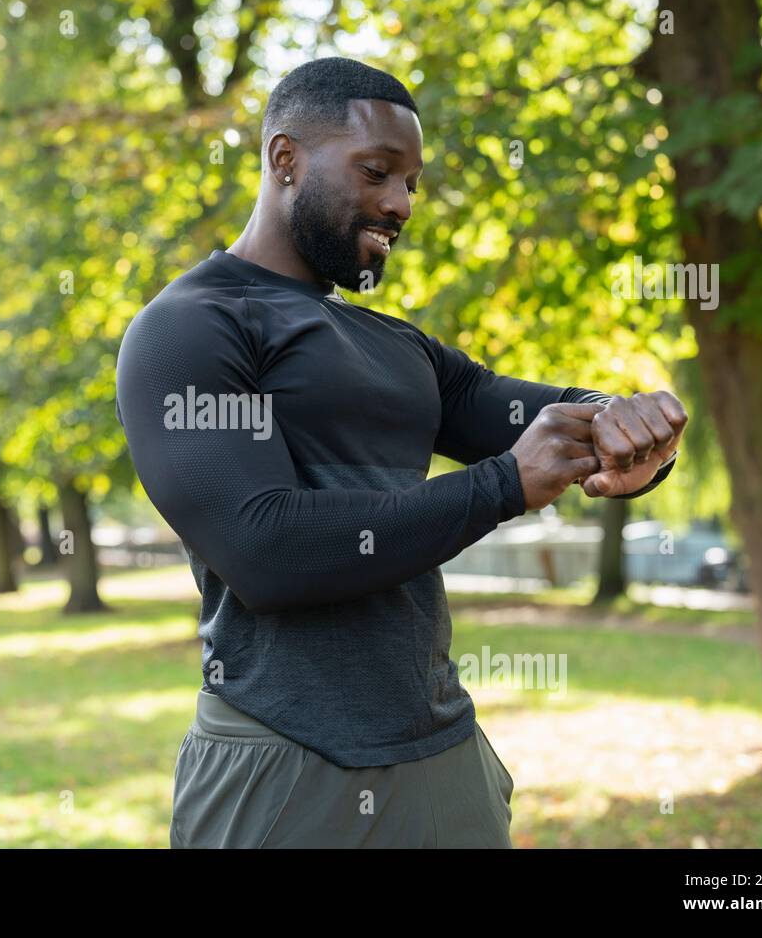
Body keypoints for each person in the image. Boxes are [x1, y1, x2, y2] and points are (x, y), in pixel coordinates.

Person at [114, 56, 687, 848]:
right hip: (284, 763)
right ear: (285, 159)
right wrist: (503, 487)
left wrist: (630, 429)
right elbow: (265, 548)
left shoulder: (398, 345)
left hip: (445, 759)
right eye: (377, 172)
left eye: (412, 183)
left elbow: (543, 416)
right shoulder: (193, 327)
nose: (399, 203)